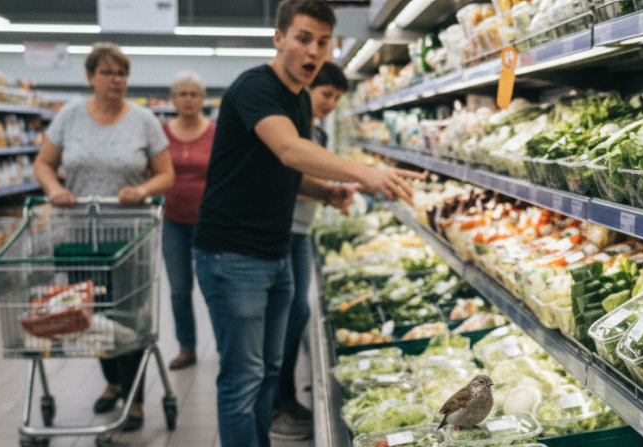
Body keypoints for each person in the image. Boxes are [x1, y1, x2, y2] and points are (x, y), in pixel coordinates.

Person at [190, 0, 426, 445]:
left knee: (268, 370)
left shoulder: (300, 98)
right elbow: (288, 150)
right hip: (232, 255)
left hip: (275, 252)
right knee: (243, 378)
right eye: (303, 38)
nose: (314, 51)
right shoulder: (255, 88)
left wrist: (325, 192)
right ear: (278, 38)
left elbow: (280, 170)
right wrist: (364, 173)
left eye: (323, 42)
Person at [33, 42, 175, 432]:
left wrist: (143, 190)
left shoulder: (144, 120)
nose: (116, 80)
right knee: (90, 316)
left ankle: (135, 400)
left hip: (130, 240)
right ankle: (113, 382)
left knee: (128, 318)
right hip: (81, 236)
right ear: (89, 76)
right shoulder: (70, 116)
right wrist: (54, 189)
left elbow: (166, 174)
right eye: (107, 72)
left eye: (121, 73)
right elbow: (43, 163)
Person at [271, 61, 348, 440]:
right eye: (325, 94)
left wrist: (331, 193)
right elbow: (288, 180)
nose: (330, 103)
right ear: (307, 90)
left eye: (336, 98)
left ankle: (283, 398)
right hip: (283, 230)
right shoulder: (295, 130)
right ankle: (278, 403)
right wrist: (336, 185)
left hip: (301, 230)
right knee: (289, 314)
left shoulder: (318, 131)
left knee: (296, 313)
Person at [161, 72, 215, 371]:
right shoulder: (161, 133)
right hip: (172, 222)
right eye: (183, 94)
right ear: (173, 99)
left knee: (214, 288)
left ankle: (223, 344)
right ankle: (186, 347)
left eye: (194, 94)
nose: (188, 99)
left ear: (202, 99)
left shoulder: (215, 132)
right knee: (179, 289)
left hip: (208, 222)